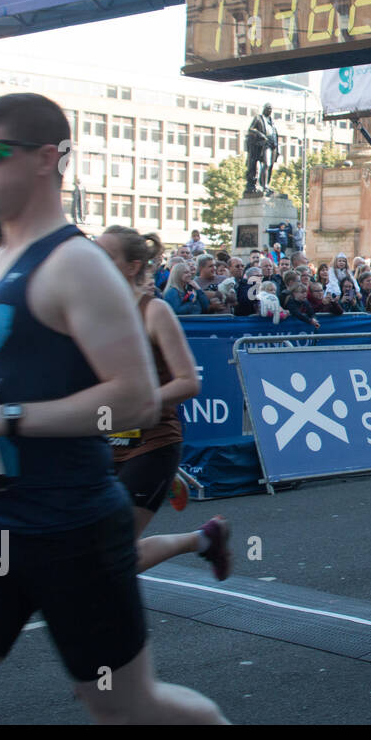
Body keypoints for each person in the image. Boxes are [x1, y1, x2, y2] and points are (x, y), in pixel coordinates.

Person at [0, 92, 226, 723]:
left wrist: (1, 420)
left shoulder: (77, 265)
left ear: (47, 158)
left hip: (74, 532)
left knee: (129, 711)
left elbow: (133, 397)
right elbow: (3, 381)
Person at [96, 226, 232, 579]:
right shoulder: (92, 314)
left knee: (109, 558)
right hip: (102, 444)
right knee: (85, 550)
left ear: (132, 266)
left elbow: (189, 382)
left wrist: (139, 400)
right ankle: (205, 538)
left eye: (106, 256)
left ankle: (195, 534)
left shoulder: (153, 311)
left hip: (151, 442)